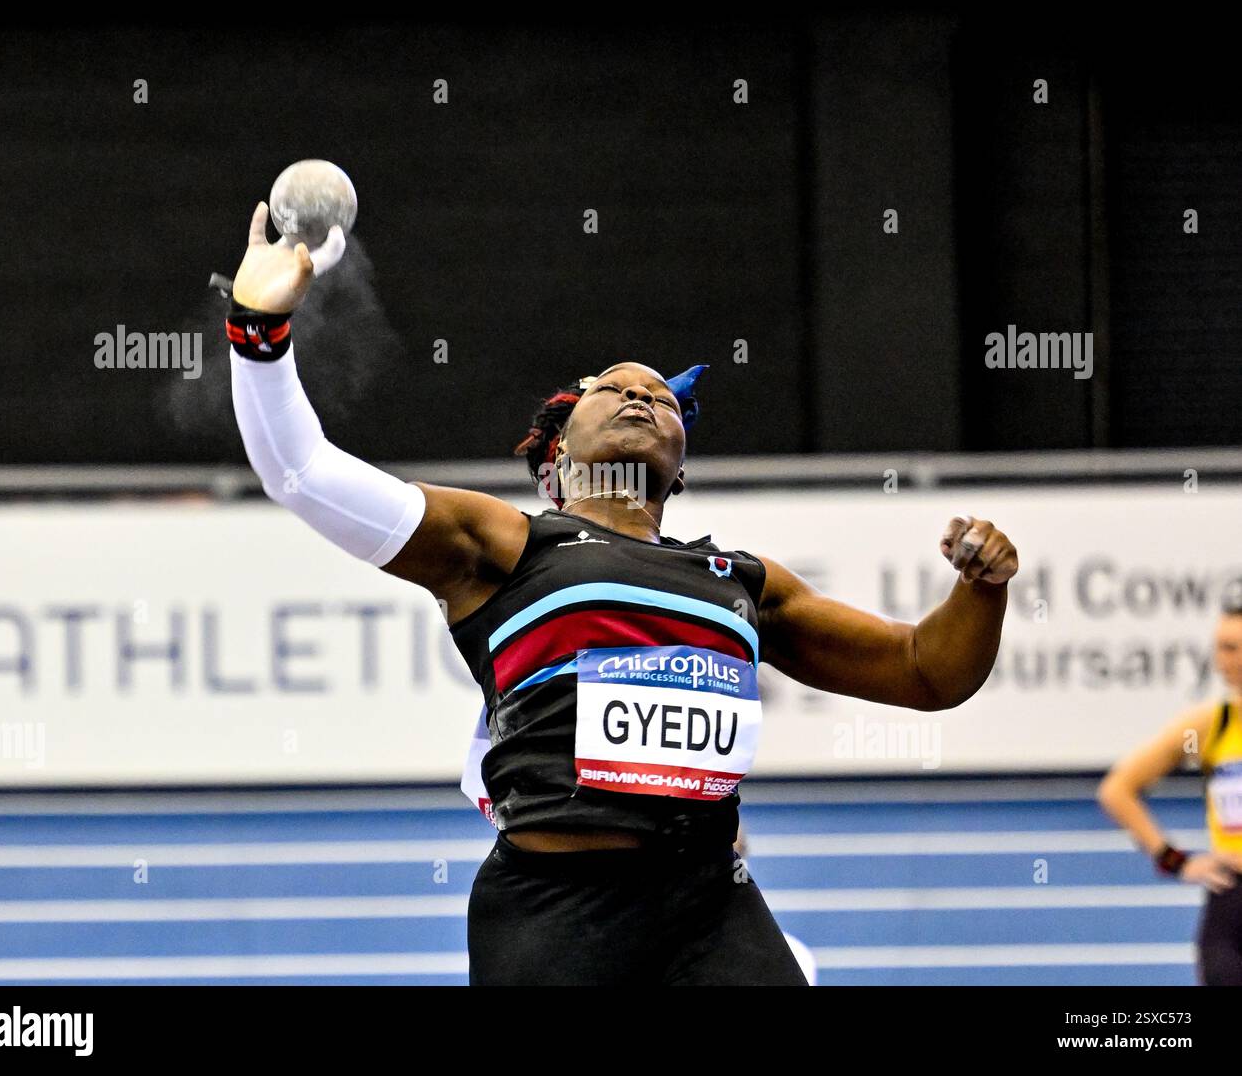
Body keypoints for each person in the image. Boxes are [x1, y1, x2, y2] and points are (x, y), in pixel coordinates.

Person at [224, 202, 1019, 985]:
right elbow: (301, 472)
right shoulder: (503, 547)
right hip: (554, 914)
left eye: (663, 399)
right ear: (560, 447)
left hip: (710, 908)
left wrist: (981, 589)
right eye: (614, 389)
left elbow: (926, 670)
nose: (641, 395)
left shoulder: (745, 583)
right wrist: (257, 333)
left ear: (682, 462)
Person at [1098, 603, 1242, 985]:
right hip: (1232, 906)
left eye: (1237, 646)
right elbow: (1118, 790)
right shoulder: (1212, 724)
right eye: (1222, 647)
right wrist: (1175, 860)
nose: (1229, 659)